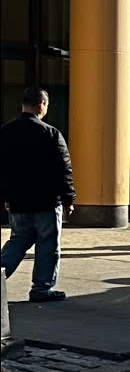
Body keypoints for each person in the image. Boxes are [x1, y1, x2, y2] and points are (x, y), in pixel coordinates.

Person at [1, 87, 75, 303]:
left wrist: (6, 196)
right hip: (46, 201)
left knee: (18, 240)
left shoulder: (6, 132)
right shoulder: (51, 133)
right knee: (48, 244)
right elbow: (64, 169)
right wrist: (69, 198)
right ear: (42, 104)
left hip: (18, 201)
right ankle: (41, 289)